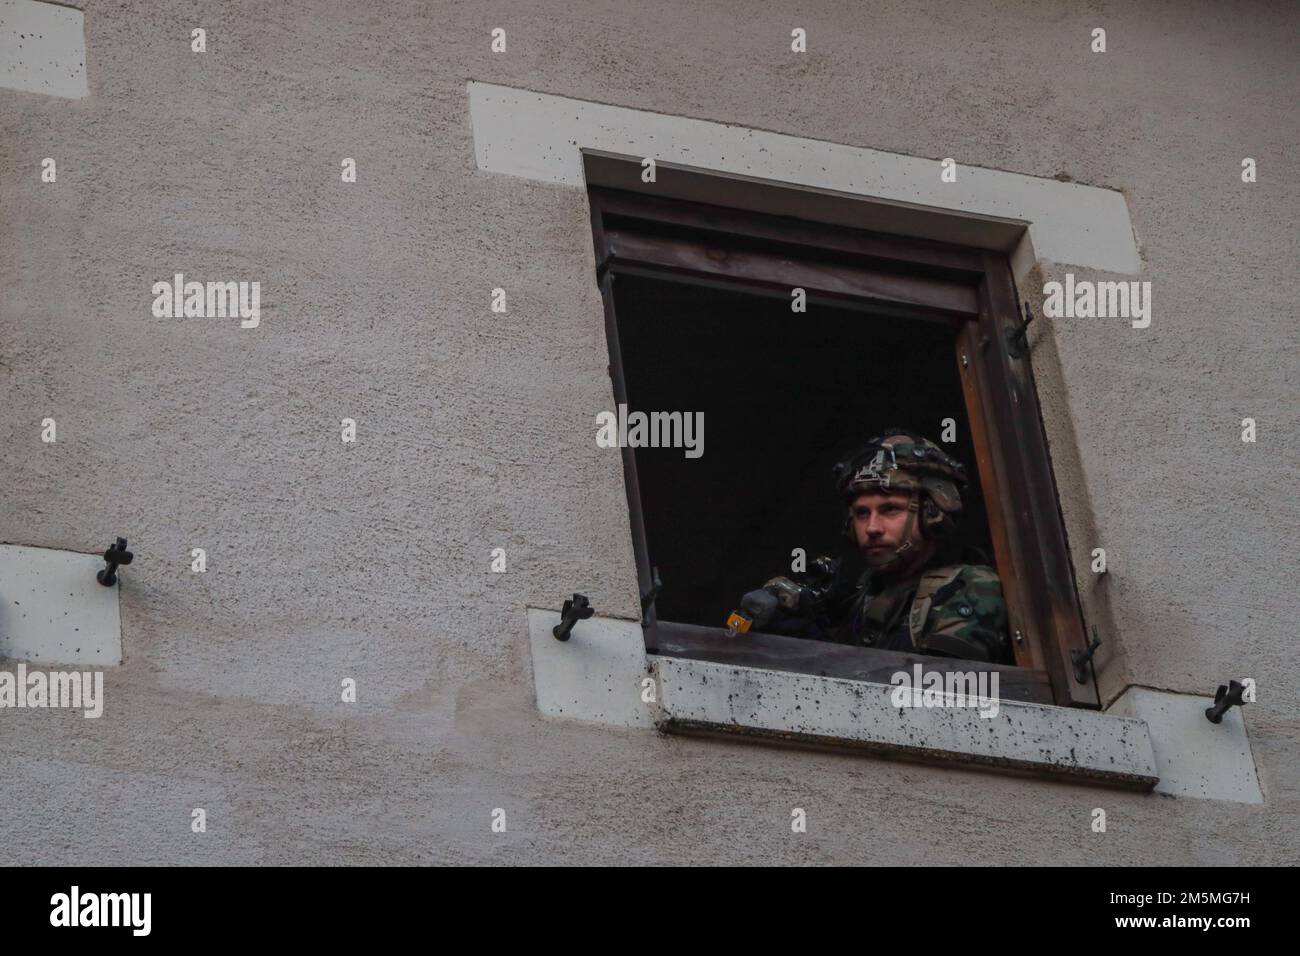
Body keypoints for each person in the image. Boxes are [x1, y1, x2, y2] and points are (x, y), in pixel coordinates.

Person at [732, 430, 1013, 664]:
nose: (872, 528)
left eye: (890, 509)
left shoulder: (971, 587)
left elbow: (933, 701)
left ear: (933, 514)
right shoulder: (862, 595)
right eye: (861, 513)